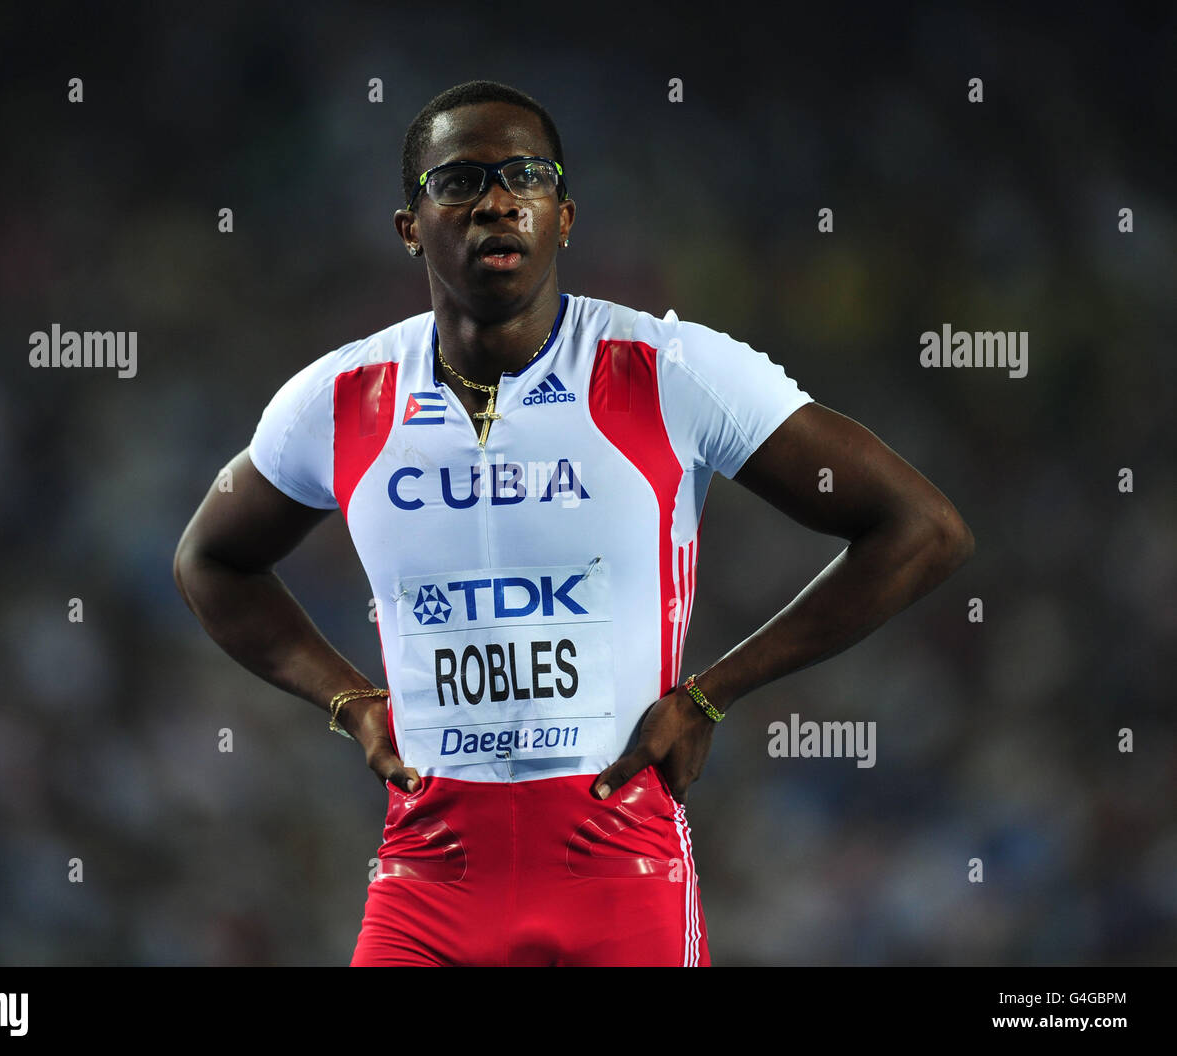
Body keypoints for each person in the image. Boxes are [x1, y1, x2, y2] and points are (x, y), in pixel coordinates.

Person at [173, 80, 974, 967]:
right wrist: (352, 703)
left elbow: (921, 528)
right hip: (427, 880)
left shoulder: (671, 372)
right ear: (411, 227)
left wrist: (715, 693)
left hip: (620, 874)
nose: (497, 200)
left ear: (564, 215)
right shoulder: (339, 399)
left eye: (527, 176)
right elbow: (211, 561)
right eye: (459, 181)